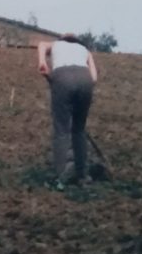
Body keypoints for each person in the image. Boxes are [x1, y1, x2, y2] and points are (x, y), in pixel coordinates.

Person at [37, 33, 99, 183]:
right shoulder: (84, 49)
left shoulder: (57, 45)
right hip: (85, 80)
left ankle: (61, 175)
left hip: (62, 76)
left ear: (62, 39)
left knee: (62, 129)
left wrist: (42, 63)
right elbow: (94, 78)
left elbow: (41, 45)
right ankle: (83, 175)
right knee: (79, 130)